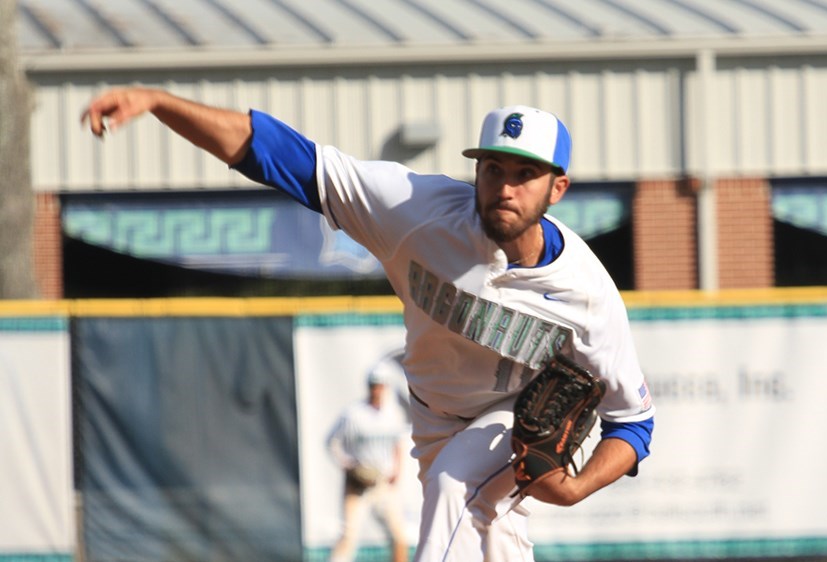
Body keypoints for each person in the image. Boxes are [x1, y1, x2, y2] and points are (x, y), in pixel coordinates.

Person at [82, 87, 656, 561]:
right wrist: (159, 102)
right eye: (493, 167)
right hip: (432, 416)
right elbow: (281, 155)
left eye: (525, 174)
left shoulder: (586, 295)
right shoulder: (415, 210)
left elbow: (633, 422)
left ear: (558, 188)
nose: (504, 186)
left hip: (511, 420)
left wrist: (579, 486)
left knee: (456, 493)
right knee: (495, 540)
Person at [326, 354, 410, 562]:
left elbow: (398, 443)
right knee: (348, 534)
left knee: (399, 537)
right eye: (373, 385)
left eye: (380, 385)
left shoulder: (393, 414)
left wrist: (396, 471)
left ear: (386, 386)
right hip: (358, 483)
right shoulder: (354, 413)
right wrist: (347, 465)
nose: (376, 389)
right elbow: (332, 442)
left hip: (383, 481)